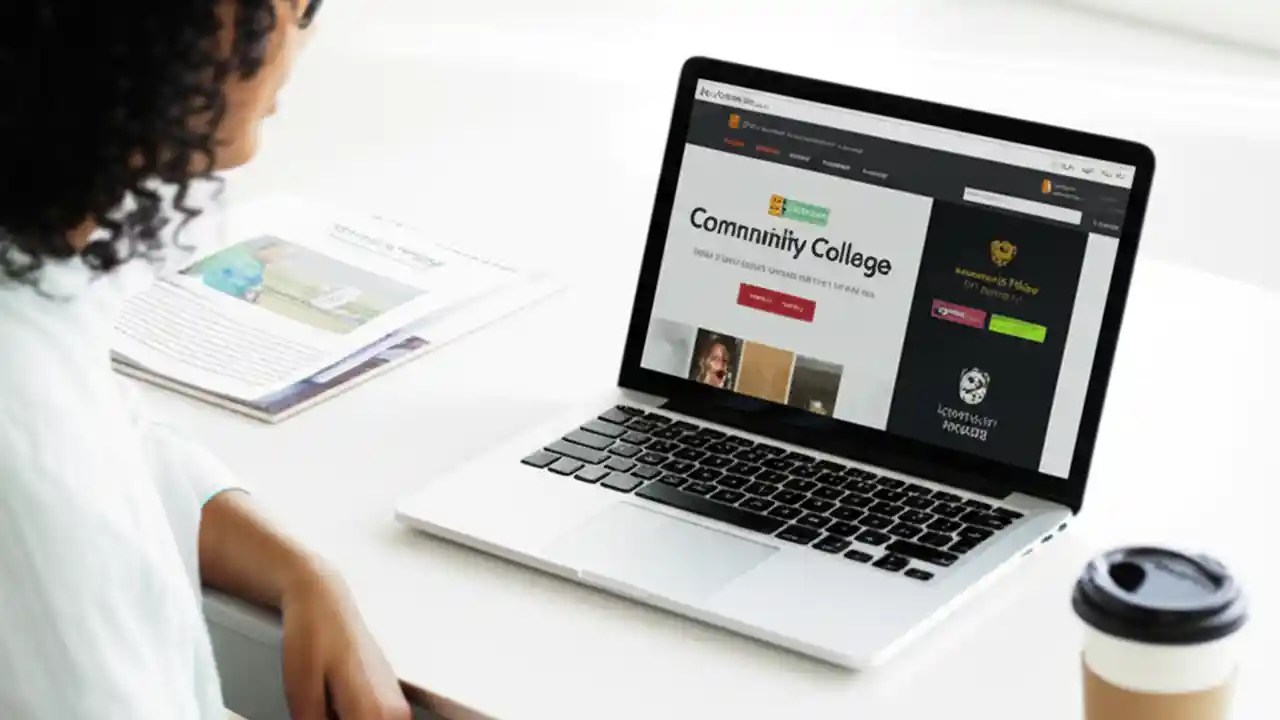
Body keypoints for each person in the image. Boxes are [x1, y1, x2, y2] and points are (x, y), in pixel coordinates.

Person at [0, 2, 411, 719]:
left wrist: (300, 572)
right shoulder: (28, 449)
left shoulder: (35, 278)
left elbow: (121, 441)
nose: (305, 28)